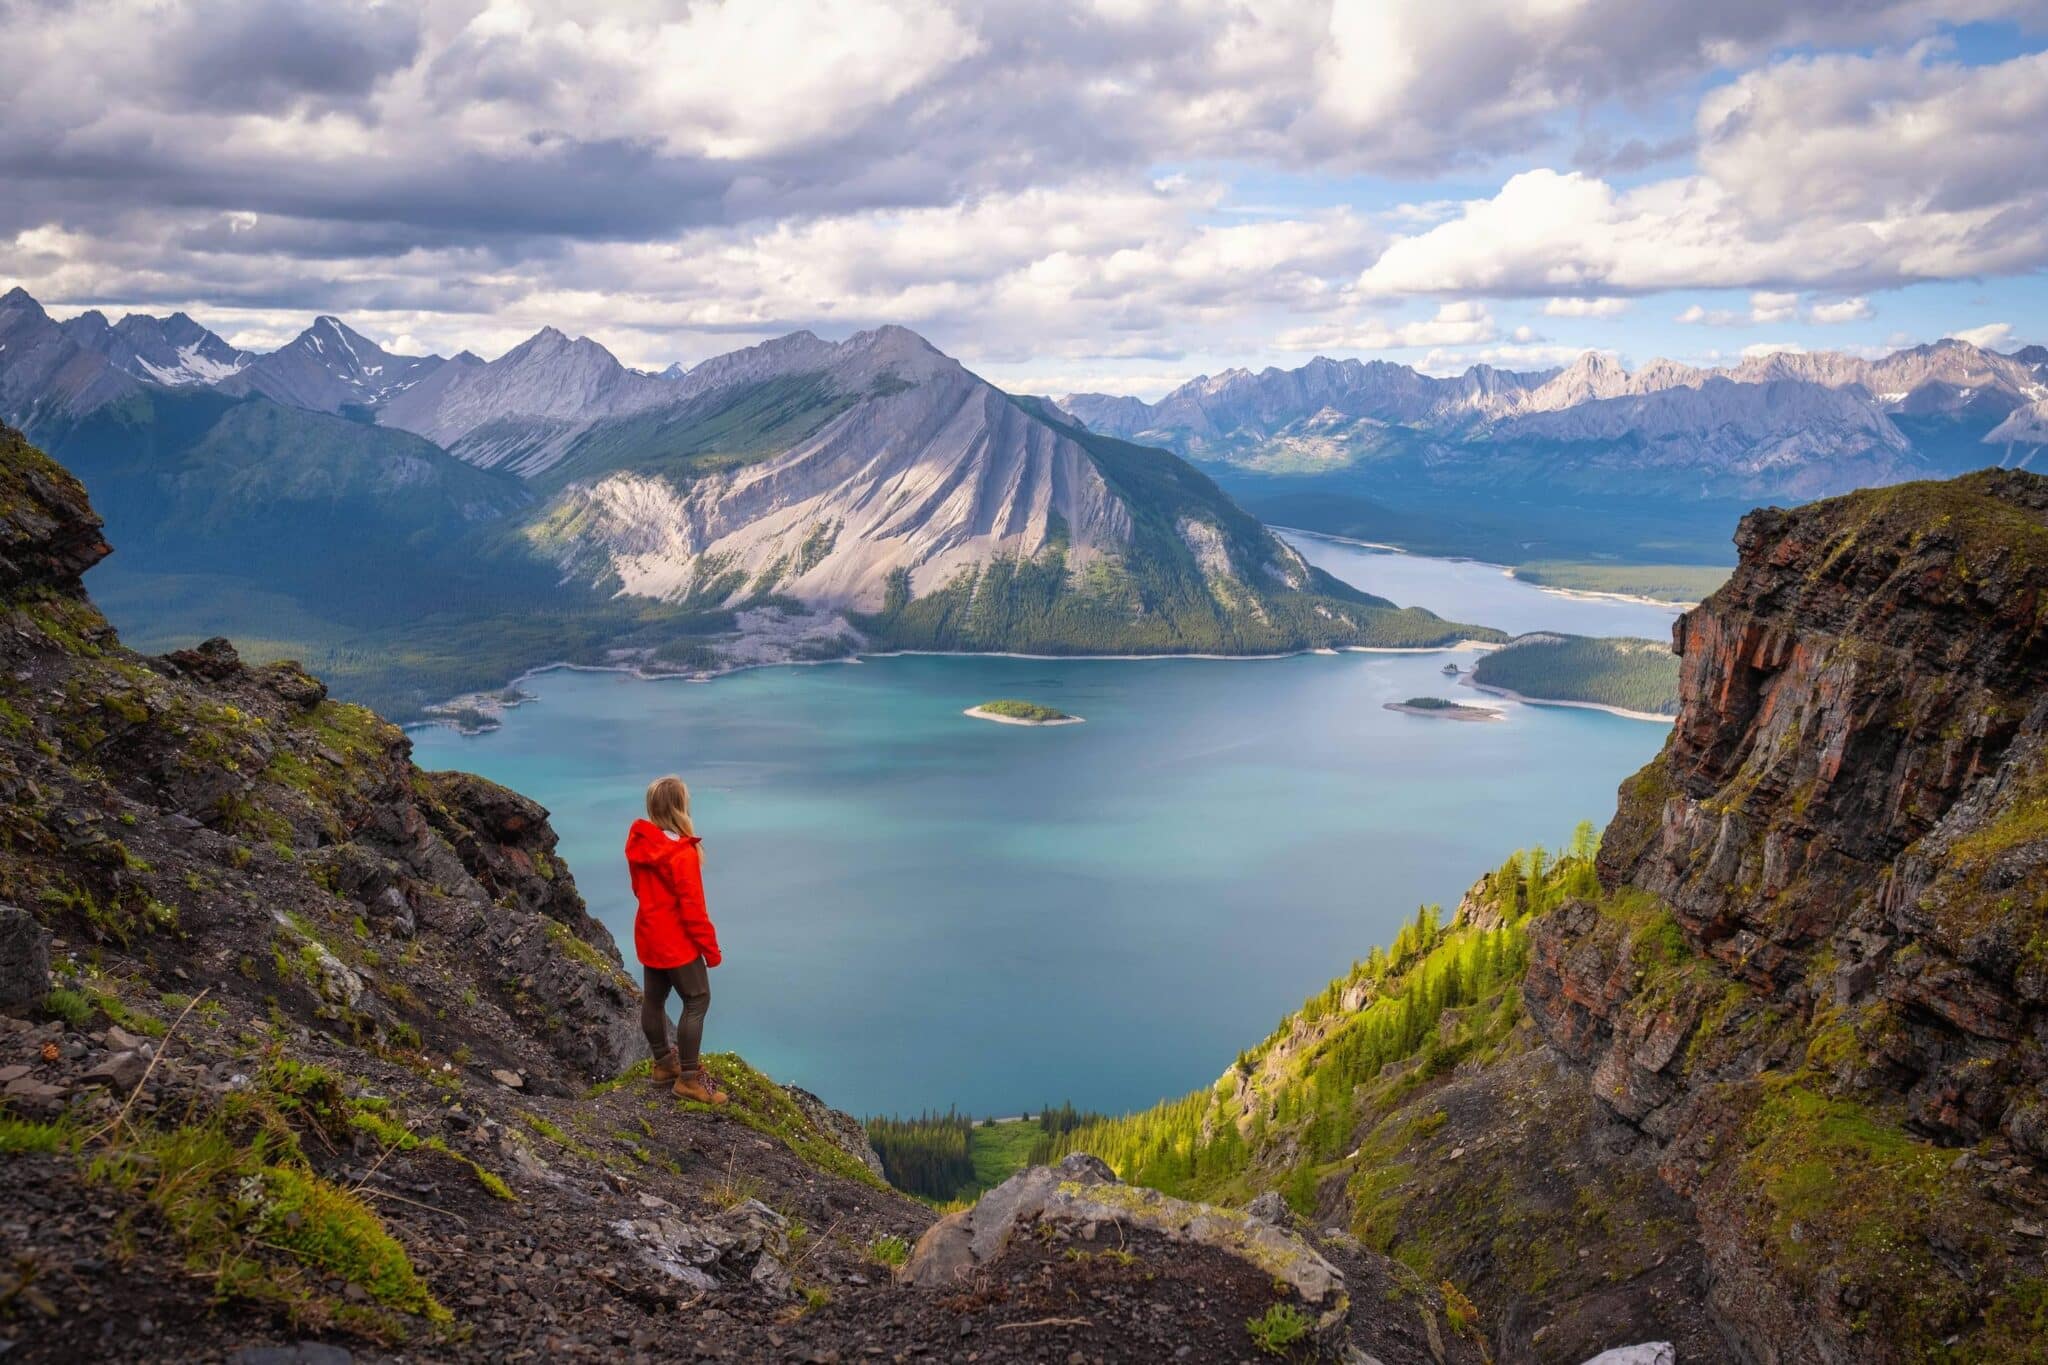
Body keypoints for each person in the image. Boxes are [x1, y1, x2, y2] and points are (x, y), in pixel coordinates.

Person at [626, 775, 728, 1105]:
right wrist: (711, 951)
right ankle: (688, 1079)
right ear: (680, 807)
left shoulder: (640, 844)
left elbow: (638, 889)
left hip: (649, 934)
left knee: (654, 999)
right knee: (697, 1000)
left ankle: (662, 1064)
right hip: (677, 942)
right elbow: (693, 910)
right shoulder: (682, 853)